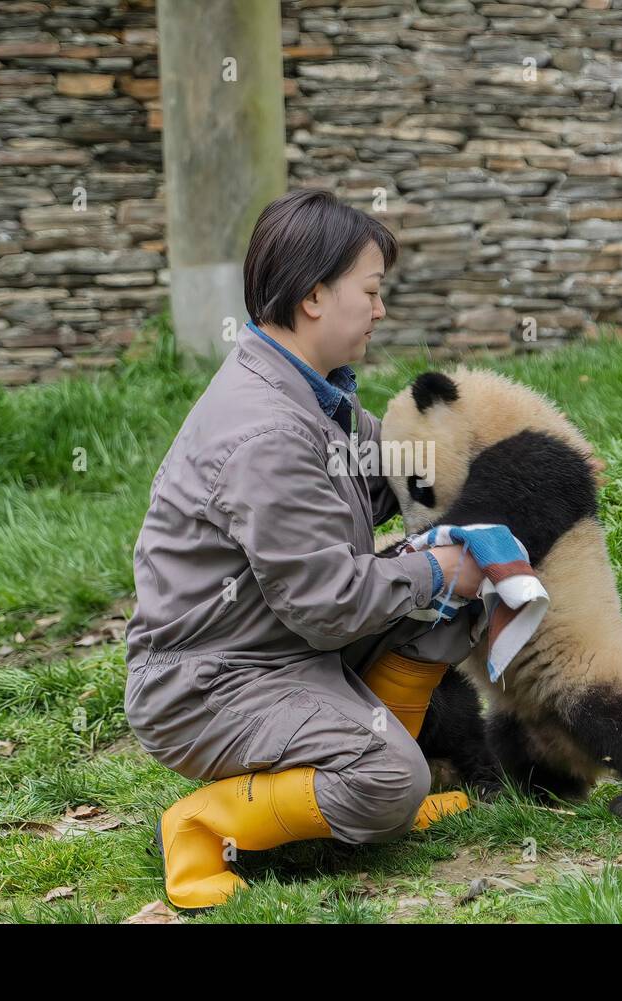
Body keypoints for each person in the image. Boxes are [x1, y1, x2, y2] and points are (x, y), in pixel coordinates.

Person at [124, 188, 486, 909]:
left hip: (282, 647)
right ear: (315, 295)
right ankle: (204, 827)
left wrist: (515, 479)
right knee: (389, 775)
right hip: (209, 684)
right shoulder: (267, 432)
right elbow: (327, 606)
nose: (381, 311)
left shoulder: (313, 396)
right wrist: (438, 567)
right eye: (372, 291)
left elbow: (399, 480)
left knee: (451, 608)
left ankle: (364, 782)